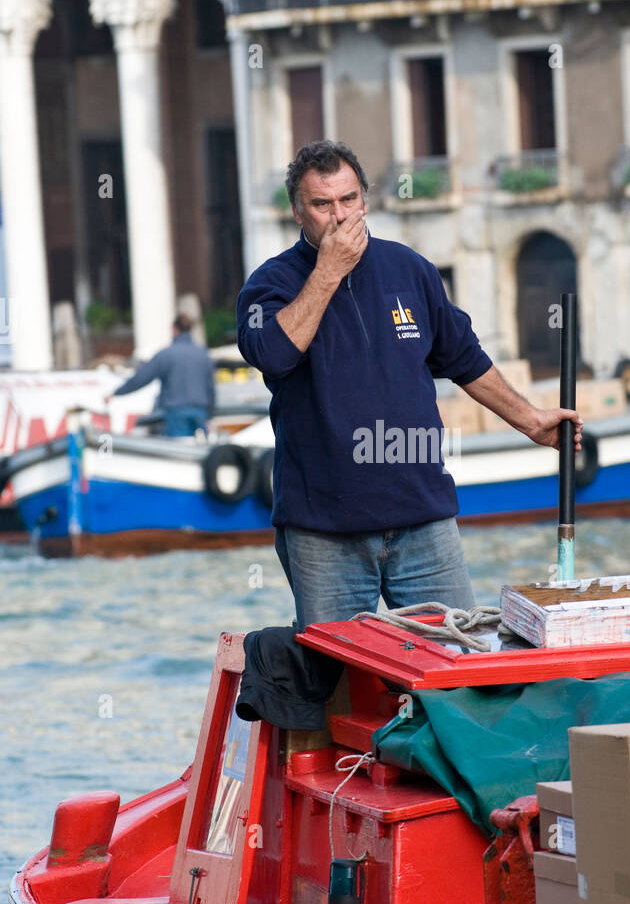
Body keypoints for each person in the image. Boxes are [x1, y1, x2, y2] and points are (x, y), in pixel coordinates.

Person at [236, 140, 582, 629]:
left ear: (366, 200)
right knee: (338, 682)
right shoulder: (268, 284)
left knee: (453, 666)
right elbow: (272, 353)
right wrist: (328, 271)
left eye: (349, 199)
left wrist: (533, 422)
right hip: (324, 529)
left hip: (423, 519)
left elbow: (463, 356)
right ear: (297, 212)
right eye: (321, 204)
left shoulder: (410, 269)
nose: (339, 217)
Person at [112, 314, 216, 437]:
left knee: (180, 451)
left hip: (177, 412)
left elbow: (142, 378)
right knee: (200, 449)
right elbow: (211, 387)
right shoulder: (203, 354)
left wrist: (117, 393)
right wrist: (210, 413)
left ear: (174, 329)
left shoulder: (166, 354)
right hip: (200, 411)